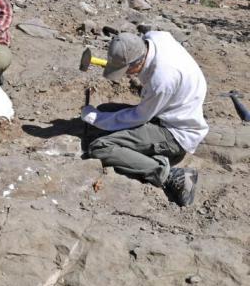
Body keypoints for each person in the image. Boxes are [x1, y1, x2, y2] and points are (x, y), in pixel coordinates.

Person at [81, 31, 208, 206]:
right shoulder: (155, 38)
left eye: (126, 71)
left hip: (175, 133)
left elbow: (139, 117)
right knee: (105, 110)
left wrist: (96, 119)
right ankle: (142, 151)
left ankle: (167, 174)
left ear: (137, 63)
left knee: (100, 147)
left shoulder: (162, 80)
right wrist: (100, 117)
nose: (126, 75)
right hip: (169, 110)